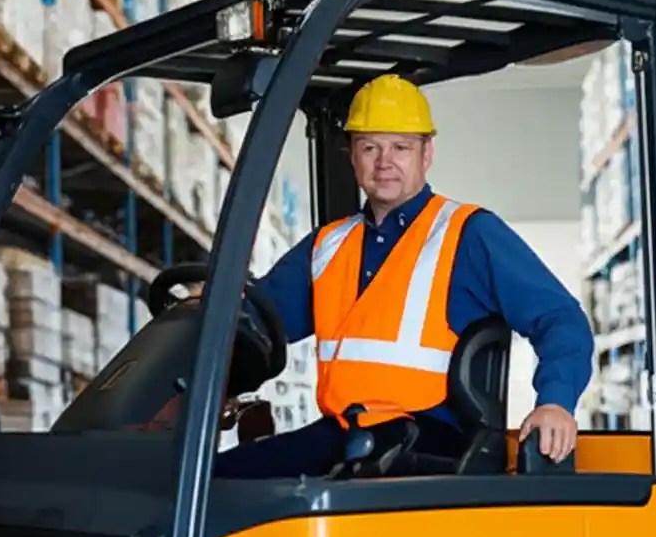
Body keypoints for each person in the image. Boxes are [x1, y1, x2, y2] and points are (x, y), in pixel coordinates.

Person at [215, 73, 594, 479]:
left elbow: (560, 318)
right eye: (370, 146)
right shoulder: (327, 245)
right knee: (211, 476)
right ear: (352, 155)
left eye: (401, 147)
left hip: (427, 442)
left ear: (426, 153)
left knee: (220, 487)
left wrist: (554, 402)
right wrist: (209, 344)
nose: (384, 162)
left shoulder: (468, 232)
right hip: (349, 434)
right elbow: (261, 322)